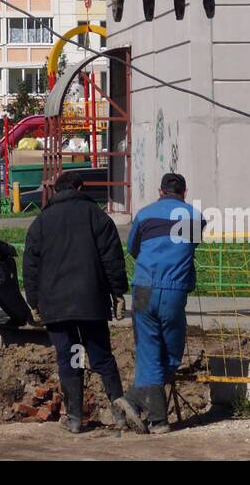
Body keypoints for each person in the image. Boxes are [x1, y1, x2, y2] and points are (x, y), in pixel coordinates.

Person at [22, 171, 137, 434]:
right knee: (102, 359)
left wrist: (34, 302)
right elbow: (112, 259)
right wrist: (118, 293)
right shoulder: (97, 217)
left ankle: (74, 419)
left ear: (55, 191)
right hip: (90, 304)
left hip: (56, 307)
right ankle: (119, 416)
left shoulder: (41, 222)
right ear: (80, 187)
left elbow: (30, 267)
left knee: (70, 359)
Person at [123, 172, 203, 433]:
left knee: (147, 350)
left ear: (160, 192)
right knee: (172, 351)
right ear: (184, 192)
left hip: (144, 287)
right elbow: (190, 247)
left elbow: (133, 248)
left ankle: (139, 402)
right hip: (173, 291)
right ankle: (154, 414)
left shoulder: (145, 214)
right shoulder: (194, 216)